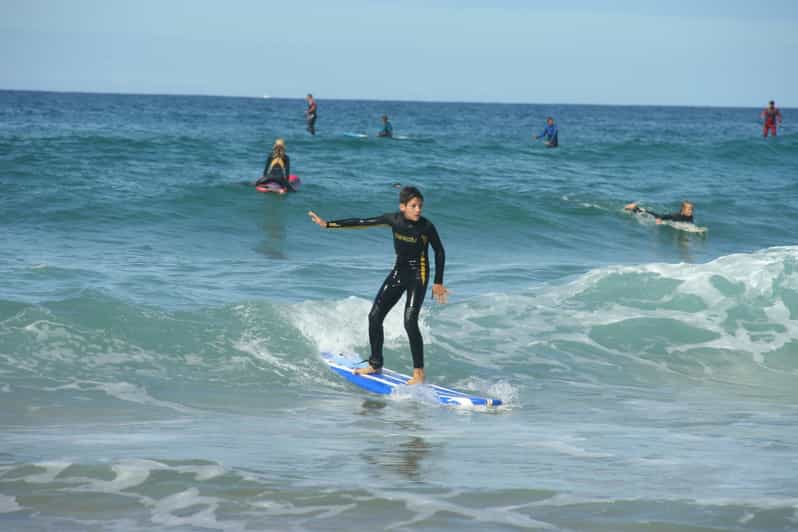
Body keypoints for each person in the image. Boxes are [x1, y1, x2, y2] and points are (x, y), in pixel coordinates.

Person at [308, 186, 448, 385]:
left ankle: (418, 373)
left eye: (420, 206)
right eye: (413, 206)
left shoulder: (426, 227)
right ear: (403, 207)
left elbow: (439, 251)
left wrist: (438, 282)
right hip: (398, 273)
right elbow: (362, 222)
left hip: (419, 275)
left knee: (409, 321)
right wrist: (328, 224)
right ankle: (375, 364)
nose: (418, 210)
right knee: (374, 316)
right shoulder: (393, 220)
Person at [624, 201, 694, 224]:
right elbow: (667, 216)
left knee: (648, 212)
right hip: (659, 217)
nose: (691, 211)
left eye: (692, 209)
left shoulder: (690, 217)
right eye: (689, 209)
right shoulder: (677, 215)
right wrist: (659, 219)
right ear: (683, 209)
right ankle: (634, 207)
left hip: (663, 218)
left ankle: (637, 207)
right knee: (645, 214)